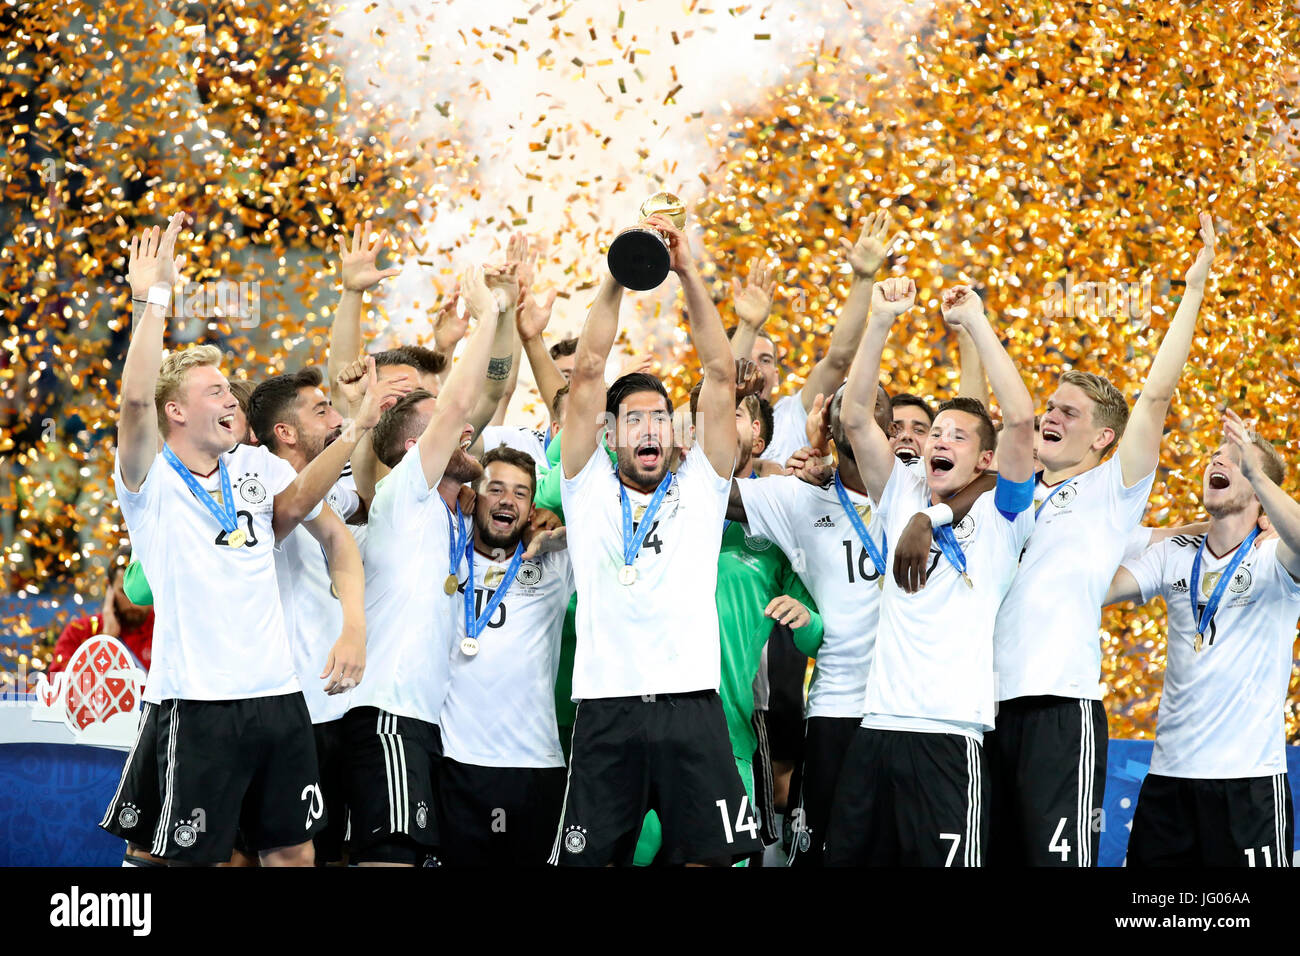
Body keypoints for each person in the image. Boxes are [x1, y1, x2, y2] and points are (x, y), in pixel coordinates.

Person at [108, 212, 376, 866]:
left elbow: (304, 513)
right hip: (196, 702)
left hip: (277, 699)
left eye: (231, 388)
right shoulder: (150, 478)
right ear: (177, 412)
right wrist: (154, 300)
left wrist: (355, 429)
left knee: (294, 857)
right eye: (215, 391)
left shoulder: (255, 468)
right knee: (182, 859)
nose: (233, 399)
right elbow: (135, 403)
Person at [986, 213, 1216, 867]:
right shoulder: (1023, 499)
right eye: (1049, 407)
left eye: (1068, 413)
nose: (1051, 416)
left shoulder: (1114, 490)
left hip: (1062, 711)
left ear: (1103, 440)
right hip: (988, 707)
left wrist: (1193, 291)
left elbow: (1155, 397)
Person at [551, 214, 760, 866]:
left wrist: (689, 273)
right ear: (610, 436)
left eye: (658, 419)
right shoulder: (584, 486)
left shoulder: (700, 487)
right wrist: (618, 276)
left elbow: (721, 375)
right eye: (631, 419)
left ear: (675, 433)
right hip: (606, 713)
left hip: (692, 710)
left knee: (713, 860)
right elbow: (587, 371)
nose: (647, 429)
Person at [824, 277, 1036, 866]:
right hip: (876, 728)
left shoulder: (1005, 512)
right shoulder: (900, 491)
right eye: (934, 431)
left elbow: (1019, 421)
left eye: (956, 436)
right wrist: (882, 318)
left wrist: (976, 323)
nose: (939, 439)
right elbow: (858, 417)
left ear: (985, 459)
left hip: (951, 736)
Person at [341, 264, 501, 867]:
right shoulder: (405, 493)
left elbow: (473, 406)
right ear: (417, 449)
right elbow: (462, 398)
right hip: (390, 716)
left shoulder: (444, 515)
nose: (467, 434)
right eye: (449, 431)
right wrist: (489, 315)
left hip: (416, 722)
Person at [1107, 410, 1295, 867]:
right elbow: (1095, 588)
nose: (1219, 462)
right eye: (1215, 456)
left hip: (1248, 783)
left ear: (1257, 485)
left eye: (1236, 461)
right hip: (1168, 781)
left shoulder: (1275, 558)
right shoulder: (1175, 554)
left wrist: (1261, 476)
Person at [248, 366, 398, 865]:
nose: (334, 417)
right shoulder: (256, 483)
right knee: (253, 853)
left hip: (331, 705)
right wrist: (358, 423)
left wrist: (355, 628)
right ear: (284, 433)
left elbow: (355, 518)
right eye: (322, 410)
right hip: (273, 705)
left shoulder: (327, 490)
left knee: (327, 851)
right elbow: (294, 505)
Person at [438, 446, 574, 866]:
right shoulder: (443, 552)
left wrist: (559, 528)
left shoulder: (553, 563)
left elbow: (603, 524)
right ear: (473, 496)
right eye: (494, 488)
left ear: (531, 507)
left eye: (520, 493)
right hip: (453, 763)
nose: (506, 501)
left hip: (535, 765)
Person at [728, 211, 897, 464]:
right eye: (747, 358)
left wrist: (863, 279)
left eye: (765, 359)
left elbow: (839, 359)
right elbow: (724, 386)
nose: (756, 369)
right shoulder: (702, 420)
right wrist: (748, 328)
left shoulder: (795, 413)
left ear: (776, 373)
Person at [51, 546, 153, 674]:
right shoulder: (78, 631)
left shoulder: (168, 631)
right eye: (124, 592)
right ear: (108, 588)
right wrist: (105, 641)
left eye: (142, 593)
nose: (133, 603)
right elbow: (60, 686)